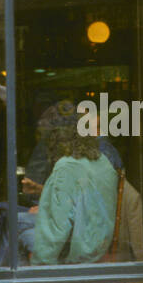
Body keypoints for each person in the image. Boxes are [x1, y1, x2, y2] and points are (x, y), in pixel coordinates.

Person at [21, 100, 119, 264]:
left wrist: (38, 266)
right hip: (98, 242)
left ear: (56, 137)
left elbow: (58, 229)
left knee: (17, 230)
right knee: (19, 223)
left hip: (80, 249)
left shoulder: (67, 166)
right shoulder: (101, 160)